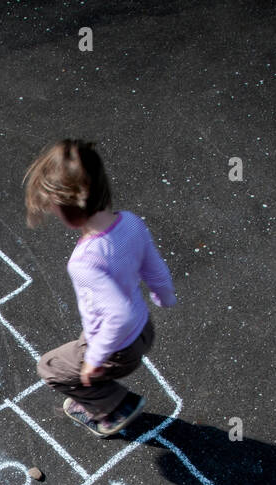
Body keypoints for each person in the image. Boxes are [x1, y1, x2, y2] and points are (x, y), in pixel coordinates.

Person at [23, 139, 176, 436]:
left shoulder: (85, 261)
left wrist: (94, 360)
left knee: (50, 368)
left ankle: (114, 407)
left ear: (67, 210)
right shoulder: (131, 222)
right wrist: (164, 294)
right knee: (83, 347)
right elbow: (154, 265)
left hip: (115, 347)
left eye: (53, 209)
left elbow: (118, 315)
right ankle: (103, 385)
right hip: (143, 330)